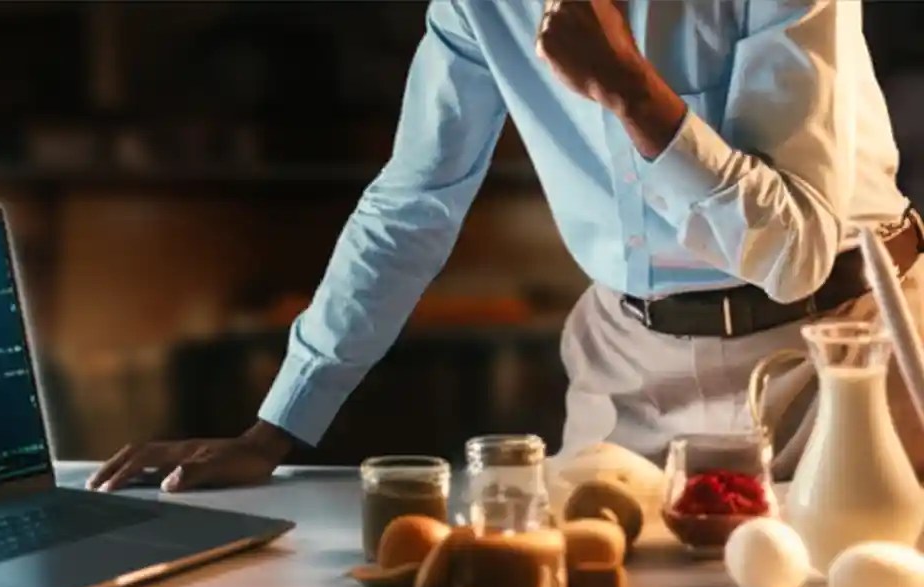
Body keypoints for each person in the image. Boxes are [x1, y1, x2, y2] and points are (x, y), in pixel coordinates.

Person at [88, 0, 924, 493]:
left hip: (845, 352)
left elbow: (799, 246)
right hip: (628, 370)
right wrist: (273, 431)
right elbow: (411, 206)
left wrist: (635, 93)